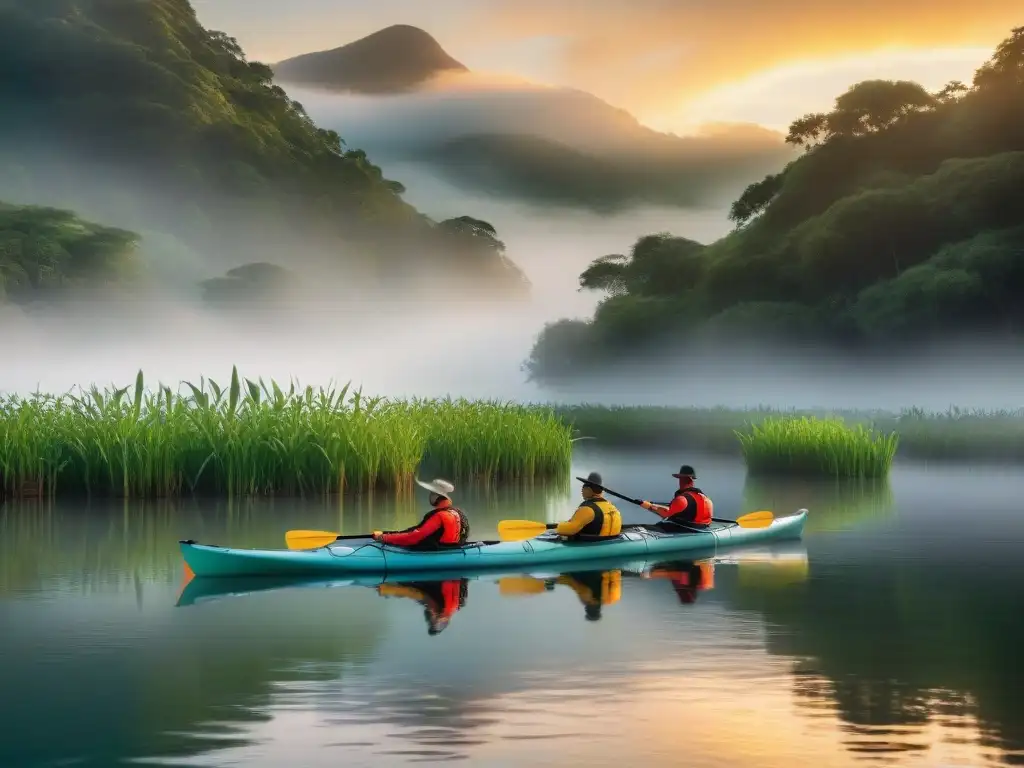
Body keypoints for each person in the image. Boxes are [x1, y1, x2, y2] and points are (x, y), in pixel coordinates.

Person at [372, 478, 469, 550]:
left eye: (431, 493)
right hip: (451, 548)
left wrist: (383, 537)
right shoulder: (455, 513)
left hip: (438, 550)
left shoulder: (439, 516)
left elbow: (414, 537)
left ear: (435, 496)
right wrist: (386, 533)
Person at [377, 578, 468, 635]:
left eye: (432, 621)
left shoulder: (447, 607)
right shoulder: (452, 605)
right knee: (412, 590)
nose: (432, 616)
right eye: (433, 620)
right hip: (440, 582)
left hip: (435, 585)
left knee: (411, 589)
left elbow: (421, 597)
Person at [639, 465, 713, 531]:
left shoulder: (682, 499)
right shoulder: (706, 498)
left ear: (680, 479)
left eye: (681, 479)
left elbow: (666, 514)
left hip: (686, 529)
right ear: (692, 480)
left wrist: (648, 506)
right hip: (703, 527)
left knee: (644, 527)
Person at [551, 472, 622, 540]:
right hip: (611, 540)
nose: (581, 491)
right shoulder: (612, 507)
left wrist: (558, 526)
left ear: (589, 490)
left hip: (591, 544)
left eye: (583, 487)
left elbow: (569, 530)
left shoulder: (587, 509)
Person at [545, 569, 622, 621]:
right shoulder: (612, 597)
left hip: (584, 571)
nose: (589, 604)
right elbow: (616, 575)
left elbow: (572, 582)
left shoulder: (585, 596)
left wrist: (554, 580)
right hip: (600, 569)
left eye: (588, 605)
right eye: (590, 605)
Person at [644, 559, 715, 605]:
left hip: (686, 564)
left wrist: (650, 574)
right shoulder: (701, 584)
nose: (679, 592)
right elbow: (673, 574)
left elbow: (672, 574)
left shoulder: (702, 584)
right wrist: (650, 574)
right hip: (688, 563)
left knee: (658, 568)